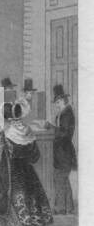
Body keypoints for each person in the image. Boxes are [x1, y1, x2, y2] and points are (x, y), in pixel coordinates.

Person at [5, 105, 53, 226]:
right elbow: (36, 156)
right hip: (27, 168)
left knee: (17, 193)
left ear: (9, 118)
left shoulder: (8, 133)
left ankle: (21, 223)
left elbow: (6, 155)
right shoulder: (28, 130)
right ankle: (36, 219)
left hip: (14, 169)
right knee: (31, 192)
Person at [49, 85, 76, 215]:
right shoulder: (63, 112)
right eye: (56, 102)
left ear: (64, 101)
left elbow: (64, 133)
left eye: (58, 102)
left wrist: (52, 128)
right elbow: (61, 130)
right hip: (61, 151)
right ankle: (69, 207)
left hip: (64, 152)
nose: (56, 105)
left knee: (60, 178)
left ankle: (61, 208)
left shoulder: (67, 113)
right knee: (63, 179)